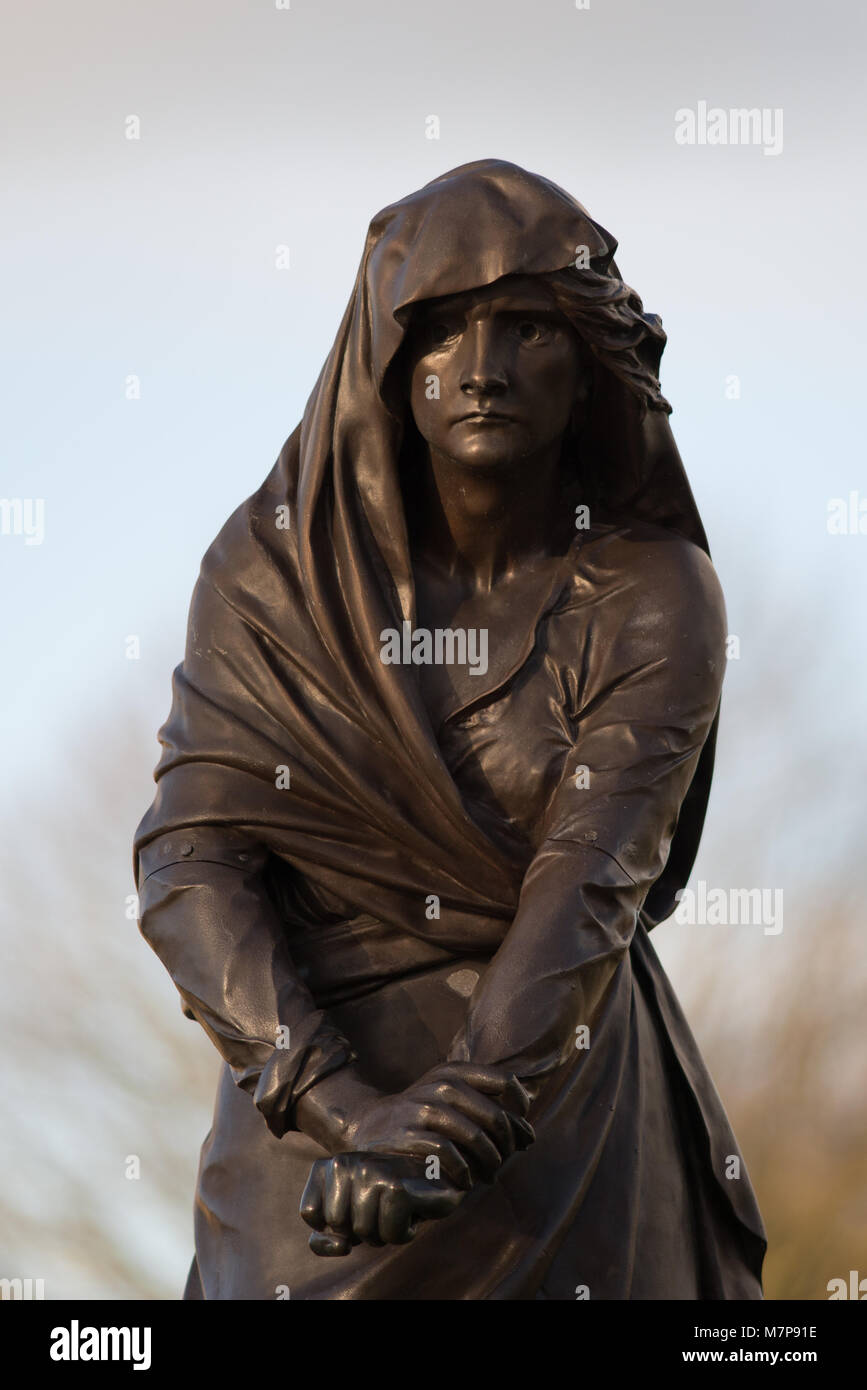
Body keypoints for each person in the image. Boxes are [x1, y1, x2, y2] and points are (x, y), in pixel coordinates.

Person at [133, 159, 766, 1299]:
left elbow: (589, 882)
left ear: (587, 362)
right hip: (308, 1144)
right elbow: (191, 860)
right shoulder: (271, 573)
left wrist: (445, 1126)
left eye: (526, 328)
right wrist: (346, 1111)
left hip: (556, 1116)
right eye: (441, 331)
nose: (481, 371)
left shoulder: (653, 593)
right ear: (386, 358)